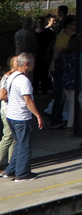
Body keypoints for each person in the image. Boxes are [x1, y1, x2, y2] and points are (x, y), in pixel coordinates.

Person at [5, 53, 44, 181]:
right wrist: (38, 115)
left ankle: (10, 170)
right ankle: (22, 174)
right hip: (21, 117)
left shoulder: (12, 77)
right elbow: (28, 101)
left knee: (19, 143)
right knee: (25, 145)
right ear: (27, 64)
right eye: (32, 64)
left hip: (11, 115)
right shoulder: (24, 80)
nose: (34, 66)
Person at [0, 56, 18, 174]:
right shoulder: (7, 77)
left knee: (14, 139)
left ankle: (12, 165)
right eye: (17, 61)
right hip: (7, 111)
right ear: (12, 64)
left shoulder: (16, 76)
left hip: (13, 111)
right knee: (7, 137)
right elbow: (2, 96)